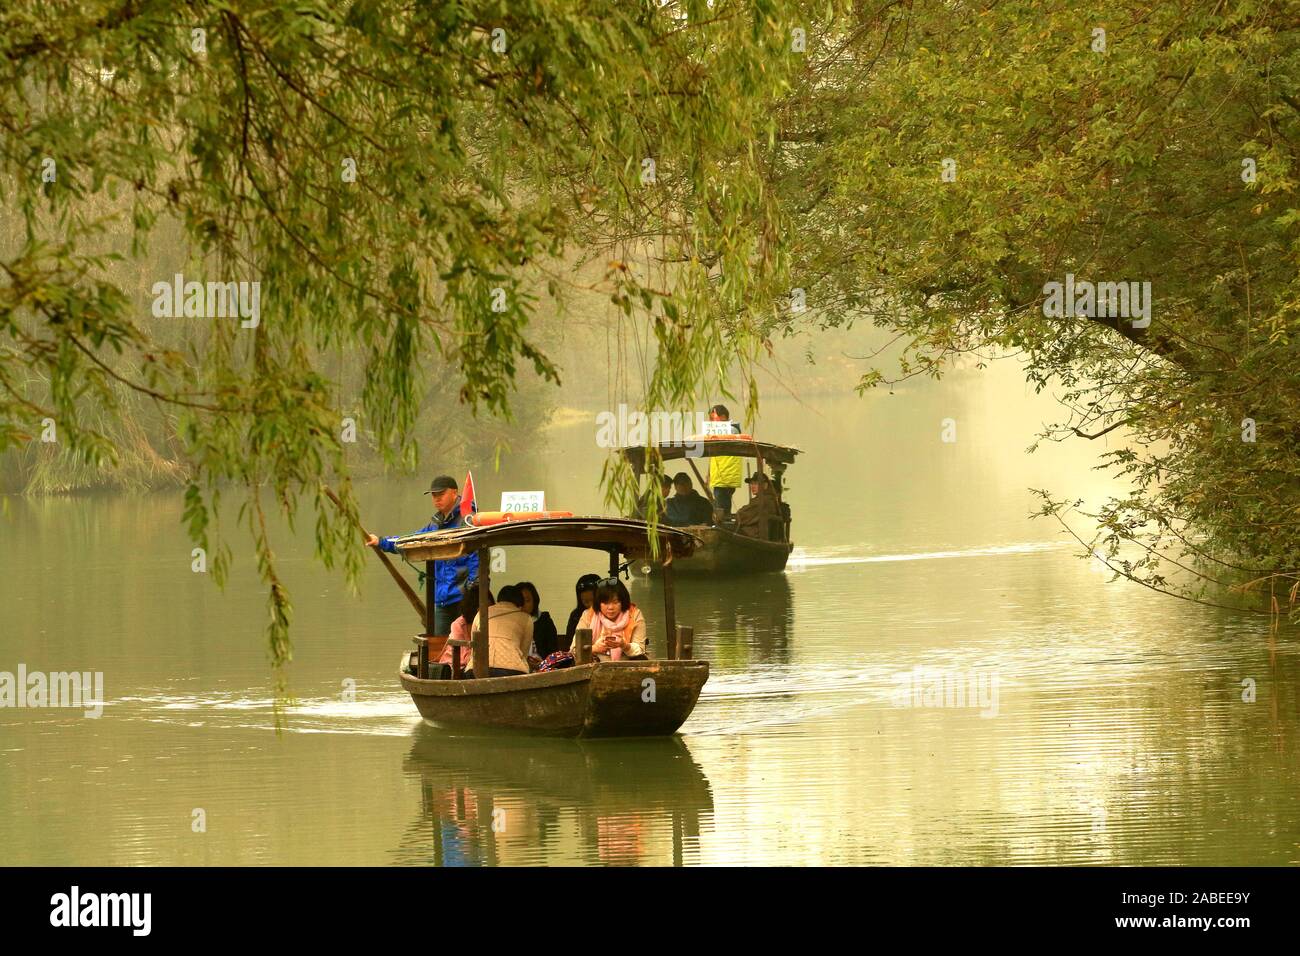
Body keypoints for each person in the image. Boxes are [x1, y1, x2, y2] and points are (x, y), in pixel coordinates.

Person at [366, 474, 477, 636]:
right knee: (437, 647)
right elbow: (411, 541)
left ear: (454, 493)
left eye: (441, 494)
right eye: (434, 495)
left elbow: (477, 558)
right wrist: (381, 542)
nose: (437, 499)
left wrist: (473, 591)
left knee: (468, 646)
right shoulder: (434, 525)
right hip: (442, 599)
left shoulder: (468, 520)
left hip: (464, 599)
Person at [464, 584, 534, 678]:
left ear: (499, 599)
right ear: (520, 602)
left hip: (475, 670)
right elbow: (524, 652)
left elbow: (474, 647)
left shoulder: (481, 613)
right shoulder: (526, 618)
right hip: (512, 670)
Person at [575, 578, 648, 661]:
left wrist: (624, 645)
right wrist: (595, 648)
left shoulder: (634, 614)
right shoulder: (588, 614)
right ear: (598, 603)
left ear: (623, 601)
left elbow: (640, 649)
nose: (610, 607)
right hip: (594, 667)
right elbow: (574, 650)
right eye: (605, 603)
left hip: (627, 667)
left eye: (615, 602)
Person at [707, 404, 743, 517]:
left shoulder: (733, 430)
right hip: (718, 476)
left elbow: (722, 435)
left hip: (726, 476)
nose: (712, 422)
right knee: (720, 503)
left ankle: (724, 527)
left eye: (714, 418)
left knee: (722, 505)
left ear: (723, 417)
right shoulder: (717, 432)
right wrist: (708, 474)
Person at [515, 581, 559, 658]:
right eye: (520, 601)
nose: (523, 605)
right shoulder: (511, 622)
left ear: (535, 601)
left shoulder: (545, 621)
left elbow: (553, 651)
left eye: (527, 601)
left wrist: (543, 663)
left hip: (542, 666)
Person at [734, 473, 783, 541]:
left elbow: (741, 516)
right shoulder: (769, 499)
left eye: (756, 484)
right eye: (751, 484)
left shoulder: (763, 500)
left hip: (753, 536)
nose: (752, 486)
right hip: (755, 534)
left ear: (765, 485)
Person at [564, 573, 601, 650]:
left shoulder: (609, 612)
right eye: (586, 602)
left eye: (593, 600)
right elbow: (572, 646)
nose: (591, 606)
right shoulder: (576, 615)